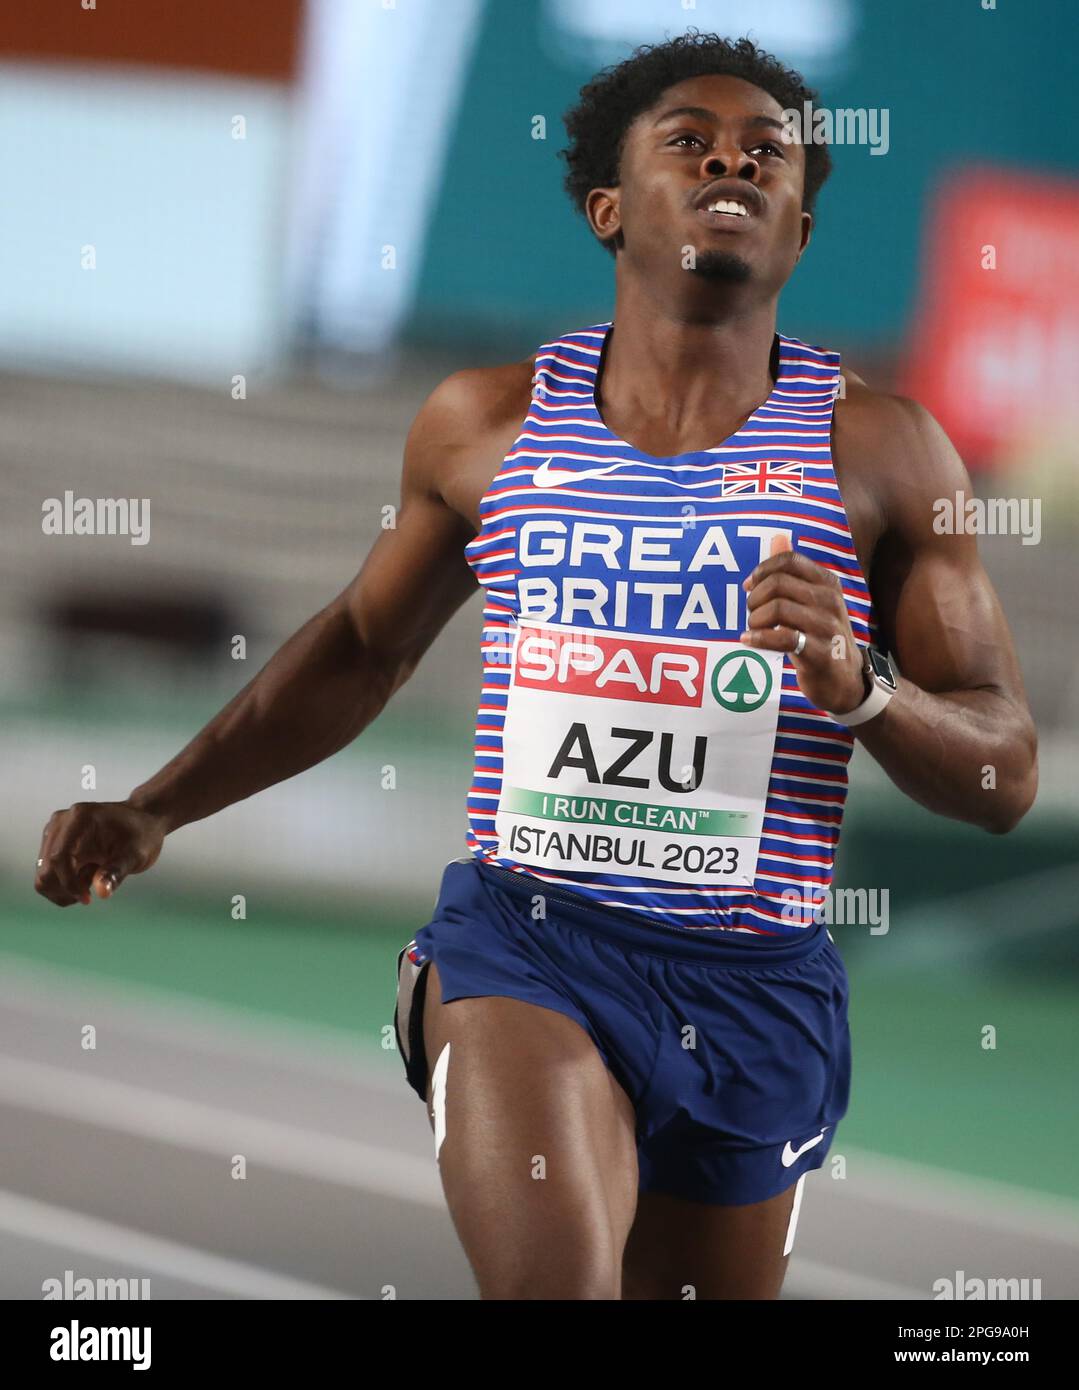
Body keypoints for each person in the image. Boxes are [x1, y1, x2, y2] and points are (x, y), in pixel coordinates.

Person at [35, 34, 1037, 1300]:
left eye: (766, 155)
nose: (733, 158)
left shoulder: (884, 454)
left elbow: (1002, 774)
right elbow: (359, 645)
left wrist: (863, 687)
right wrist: (156, 804)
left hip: (754, 983)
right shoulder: (488, 423)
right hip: (528, 942)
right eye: (689, 140)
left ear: (796, 226)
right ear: (607, 210)